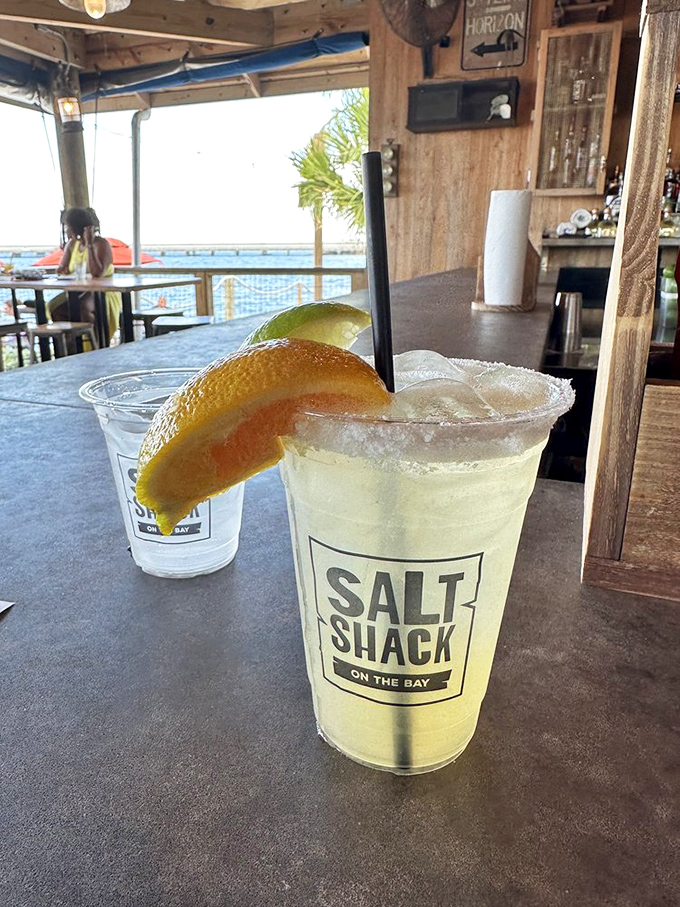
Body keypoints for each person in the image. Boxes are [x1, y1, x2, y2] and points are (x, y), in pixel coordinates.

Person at [48, 207, 122, 344]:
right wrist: (62, 270)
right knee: (55, 307)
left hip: (103, 292)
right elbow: (62, 268)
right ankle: (71, 346)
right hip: (78, 290)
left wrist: (88, 244)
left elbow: (97, 273)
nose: (66, 230)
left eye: (68, 226)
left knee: (83, 306)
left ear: (77, 226)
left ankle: (97, 343)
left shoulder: (101, 244)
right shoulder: (71, 244)